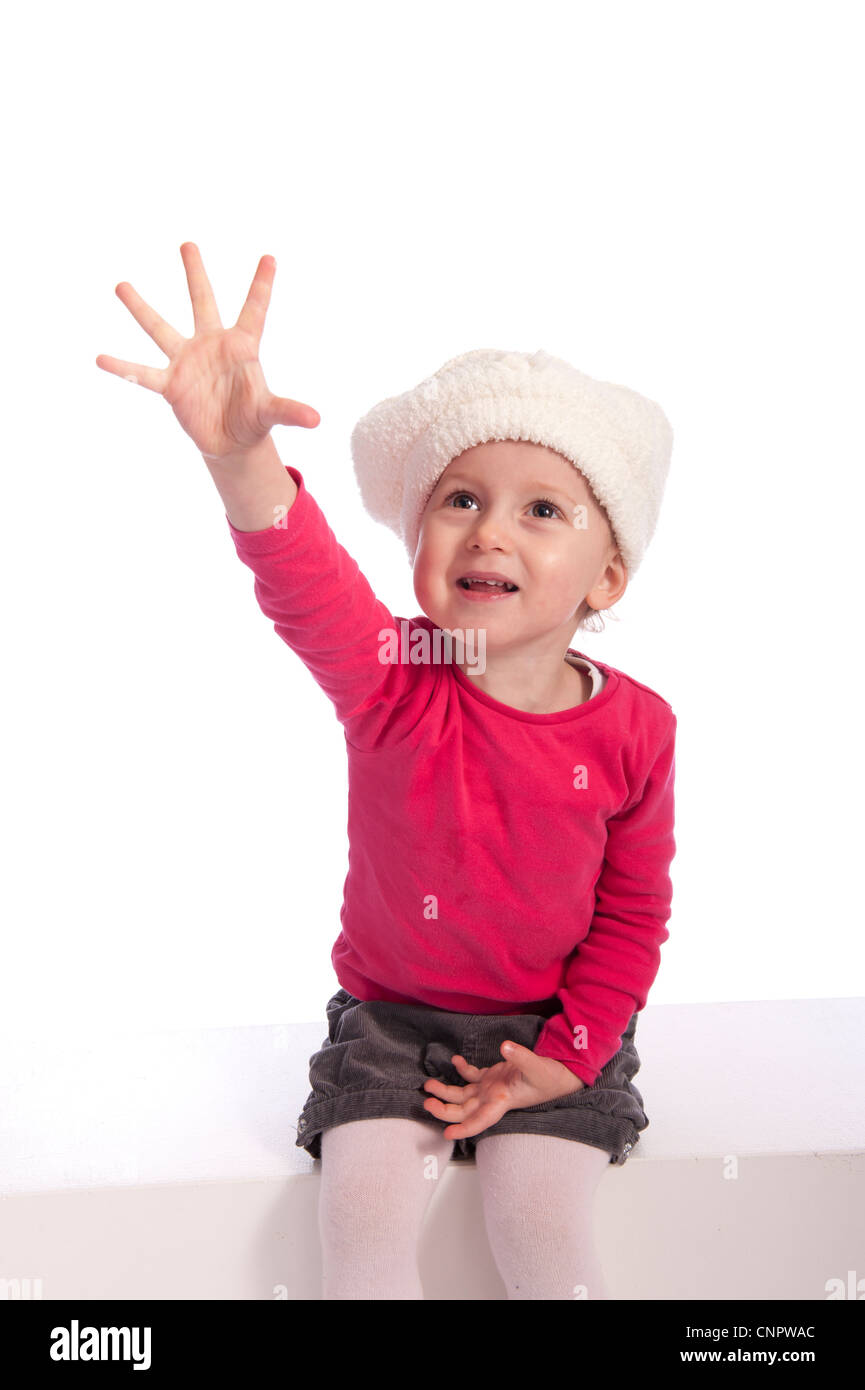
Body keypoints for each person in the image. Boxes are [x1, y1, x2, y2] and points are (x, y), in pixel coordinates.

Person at [97, 243, 678, 1301]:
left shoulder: (636, 727)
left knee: (541, 1233)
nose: (488, 528)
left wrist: (570, 1050)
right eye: (458, 500)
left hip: (556, 1028)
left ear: (605, 575)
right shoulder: (402, 670)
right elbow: (304, 580)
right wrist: (240, 460)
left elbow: (633, 911)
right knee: (360, 1232)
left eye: (540, 509)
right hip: (393, 1029)